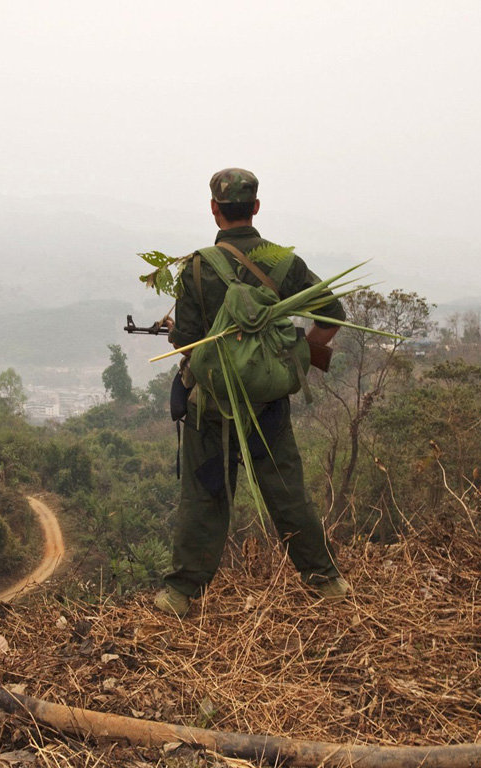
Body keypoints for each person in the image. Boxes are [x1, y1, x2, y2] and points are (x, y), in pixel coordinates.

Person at [154, 168, 350, 618]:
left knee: (204, 496)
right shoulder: (283, 261)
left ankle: (182, 594)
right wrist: (301, 353)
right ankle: (327, 583)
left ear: (213, 208)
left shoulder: (199, 266)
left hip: (212, 406)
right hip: (268, 405)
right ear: (256, 207)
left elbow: (185, 340)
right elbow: (332, 313)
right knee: (287, 492)